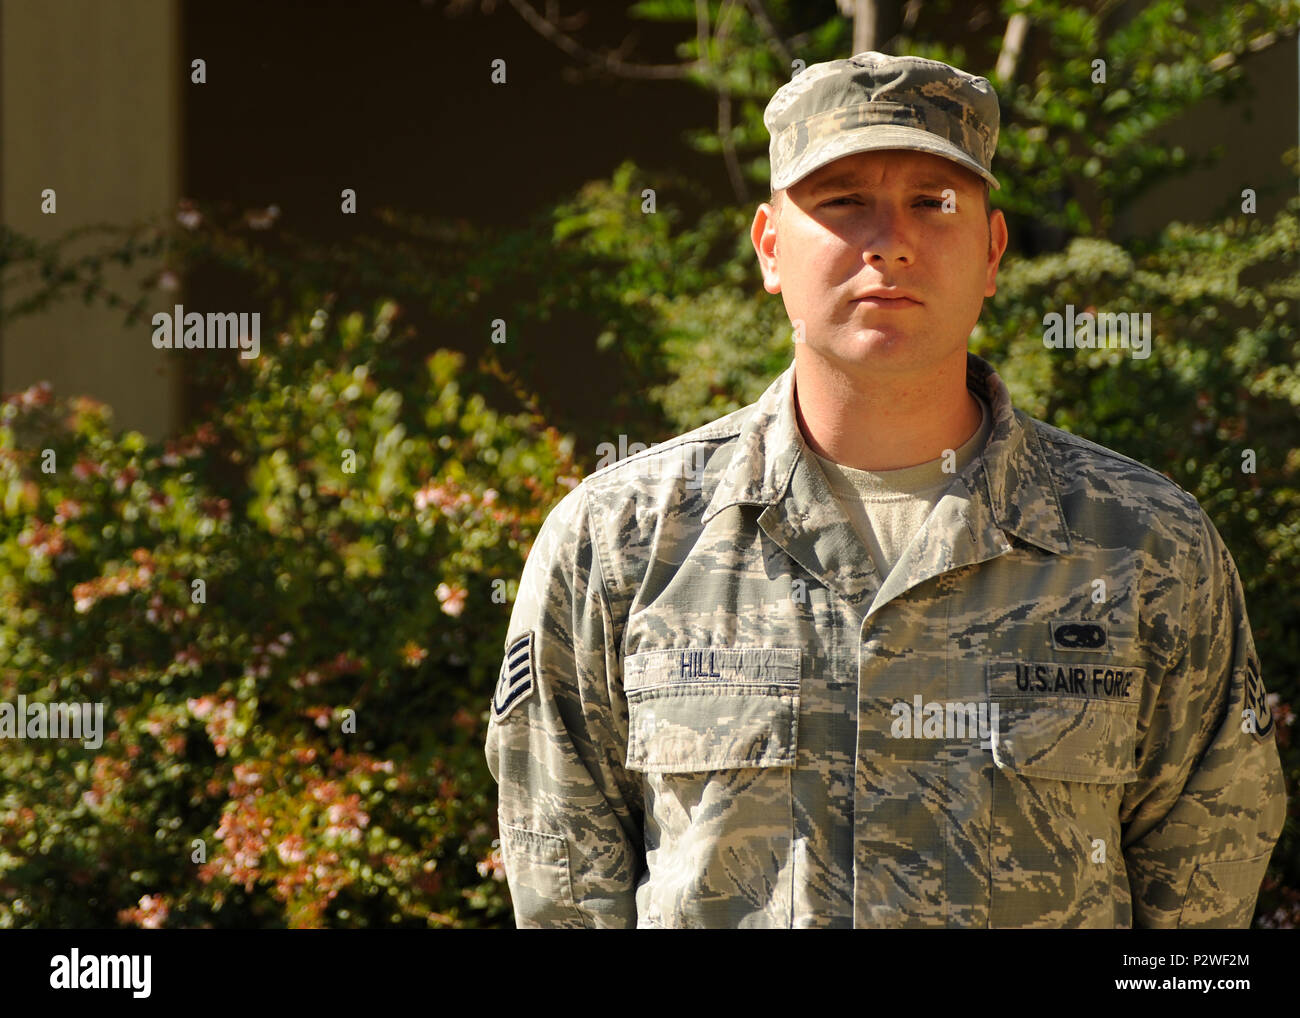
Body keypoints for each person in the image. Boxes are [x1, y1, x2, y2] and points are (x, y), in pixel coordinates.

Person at [484, 51, 1287, 928]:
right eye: (842, 202)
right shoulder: (620, 543)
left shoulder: (1148, 546)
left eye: (932, 202)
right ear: (768, 248)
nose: (891, 240)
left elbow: (1204, 904)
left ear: (991, 251)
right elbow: (566, 895)